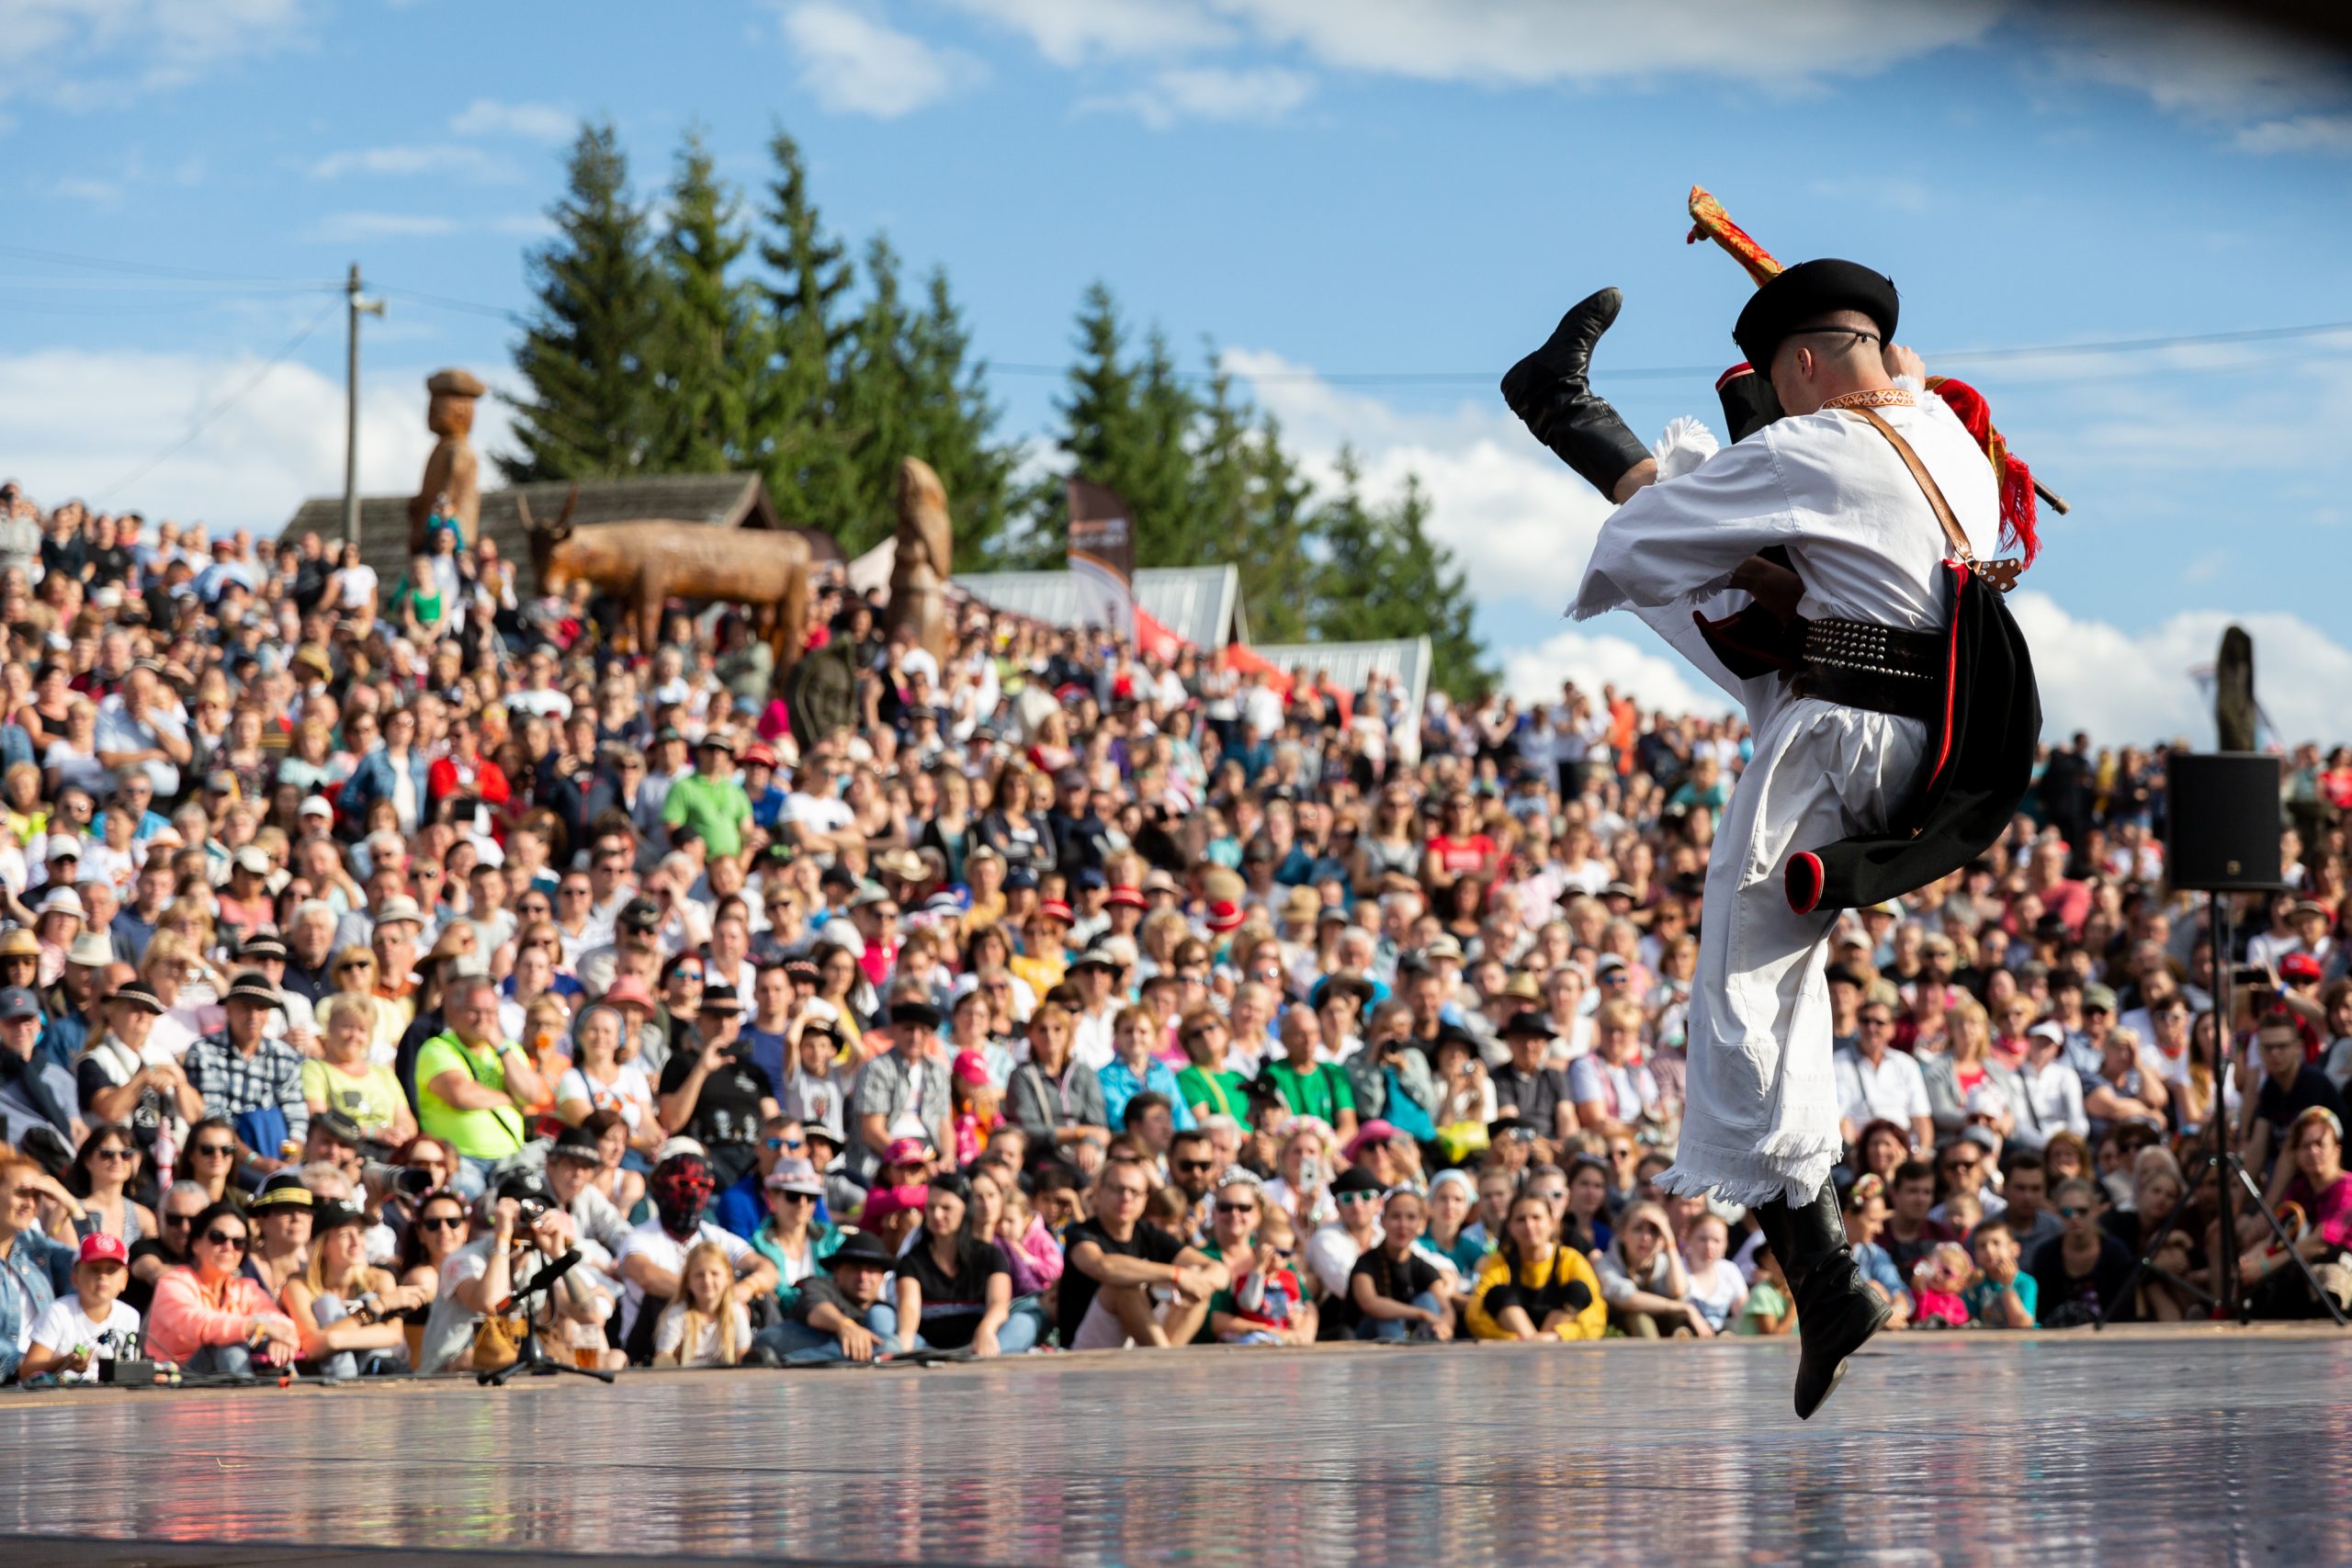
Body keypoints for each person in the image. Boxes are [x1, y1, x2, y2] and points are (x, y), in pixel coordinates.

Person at [1523, 258, 2032, 1416]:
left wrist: (1709, 535)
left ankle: (1819, 1270)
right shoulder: (1947, 430)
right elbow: (1885, 391)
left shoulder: (1819, 446)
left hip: (1836, 734)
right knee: (1716, 563)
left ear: (1801, 366)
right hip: (1910, 719)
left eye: (1776, 386)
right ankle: (1822, 1272)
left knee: (1740, 996)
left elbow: (1640, 545)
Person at [614, 1153, 776, 1363]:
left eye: (702, 1185)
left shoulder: (714, 1235)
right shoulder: (640, 1237)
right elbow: (646, 1275)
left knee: (753, 1302)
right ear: (663, 1185)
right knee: (667, 1304)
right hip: (649, 1347)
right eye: (683, 1183)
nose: (692, 1192)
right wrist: (710, 1296)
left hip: (715, 1350)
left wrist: (744, 1289)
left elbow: (767, 1269)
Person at [1060, 1157, 1229, 1350]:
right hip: (1084, 1350)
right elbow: (1102, 1266)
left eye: (1134, 1192)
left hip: (1141, 1343)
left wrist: (1195, 1280)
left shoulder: (1148, 1233)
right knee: (1122, 1286)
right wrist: (1176, 1275)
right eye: (1118, 1189)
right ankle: (1166, 1362)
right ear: (1098, 1194)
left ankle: (1165, 1362)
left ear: (1144, 1200)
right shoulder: (1082, 1233)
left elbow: (1220, 1272)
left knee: (1197, 1289)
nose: (1126, 1197)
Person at [413, 975, 547, 1198]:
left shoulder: (508, 1049)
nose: (483, 1020)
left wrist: (500, 1047)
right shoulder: (437, 1049)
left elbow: (532, 1094)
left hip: (510, 1160)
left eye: (490, 1013)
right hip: (461, 1161)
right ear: (454, 1013)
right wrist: (509, 1096)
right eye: (474, 1011)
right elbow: (461, 1095)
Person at [143, 1199, 300, 1375]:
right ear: (196, 1244)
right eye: (217, 1238)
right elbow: (201, 1325)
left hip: (217, 1379)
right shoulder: (172, 1284)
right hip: (174, 1383)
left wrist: (280, 1338)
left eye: (238, 1242)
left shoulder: (245, 1288)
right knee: (228, 1341)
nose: (228, 1248)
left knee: (269, 1339)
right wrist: (256, 1326)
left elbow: (283, 1323)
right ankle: (245, 1402)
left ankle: (294, 1398)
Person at [893, 1173, 1035, 1356]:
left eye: (946, 1208)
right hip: (927, 1348)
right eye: (931, 1208)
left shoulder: (990, 1255)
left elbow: (999, 1304)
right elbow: (909, 1307)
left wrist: (985, 1329)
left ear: (965, 1210)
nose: (937, 1215)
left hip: (978, 1345)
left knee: (1024, 1323)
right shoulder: (911, 1261)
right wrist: (904, 1342)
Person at [1464, 1190, 1606, 1341]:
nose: (1529, 1225)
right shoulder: (1498, 1262)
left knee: (1579, 1290)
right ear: (1510, 1226)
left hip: (1557, 1344)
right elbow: (1475, 1313)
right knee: (1497, 1293)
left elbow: (1597, 1314)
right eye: (1521, 1219)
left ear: (1553, 1223)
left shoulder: (1570, 1259)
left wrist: (1557, 1336)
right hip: (1517, 1340)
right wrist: (1516, 1338)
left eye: (1536, 1218)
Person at [755, 1228, 903, 1364]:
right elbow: (816, 1307)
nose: (863, 1277)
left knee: (885, 1327)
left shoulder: (883, 1308)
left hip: (815, 1356)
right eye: (854, 1269)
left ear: (882, 1275)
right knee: (768, 1337)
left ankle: (792, 1362)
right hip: (811, 1340)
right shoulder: (819, 1285)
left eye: (871, 1270)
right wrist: (845, 1326)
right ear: (836, 1270)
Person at [19, 1231, 142, 1383]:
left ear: (124, 1280)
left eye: (111, 1270)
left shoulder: (129, 1316)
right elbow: (27, 1370)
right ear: (75, 1277)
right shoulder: (58, 1312)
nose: (102, 1276)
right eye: (94, 1269)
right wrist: (65, 1363)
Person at [2028, 1178, 2138, 1326]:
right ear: (2057, 1214)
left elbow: (2125, 1314)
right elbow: (2042, 1313)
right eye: (2066, 1212)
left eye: (2082, 1211)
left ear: (2096, 1210)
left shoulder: (2116, 1253)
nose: (2074, 1217)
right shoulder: (2046, 1255)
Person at [1348, 1188, 1453, 1341]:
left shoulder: (1423, 1267)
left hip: (1410, 1334)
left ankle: (1427, 1351)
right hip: (1366, 1338)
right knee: (1386, 1318)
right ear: (1383, 1221)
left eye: (1411, 1217)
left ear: (1421, 1225)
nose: (1403, 1225)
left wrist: (1444, 1326)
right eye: (1395, 1217)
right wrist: (1421, 1314)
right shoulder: (1366, 1263)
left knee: (1427, 1300)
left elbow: (1446, 1309)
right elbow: (1370, 1303)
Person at [653, 1239, 750, 1368]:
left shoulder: (736, 1311)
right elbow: (663, 1357)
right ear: (687, 1280)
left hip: (725, 1384)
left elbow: (742, 1355)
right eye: (699, 1275)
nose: (707, 1281)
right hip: (687, 1383)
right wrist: (668, 1359)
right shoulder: (678, 1313)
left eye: (714, 1274)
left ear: (728, 1276)